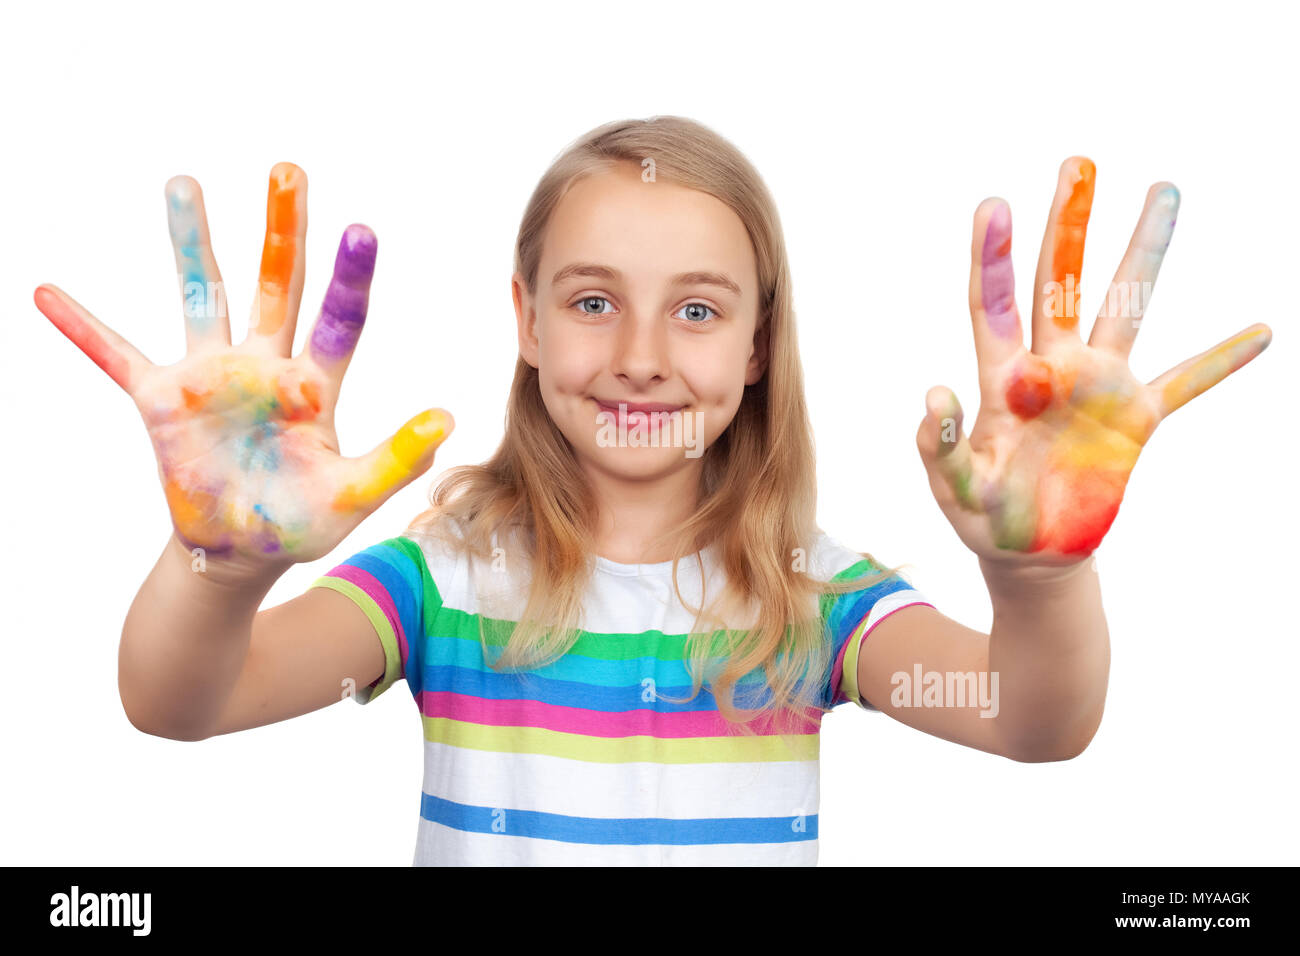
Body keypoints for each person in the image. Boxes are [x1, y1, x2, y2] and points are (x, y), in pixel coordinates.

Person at [31, 116, 1271, 866]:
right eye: (590, 300)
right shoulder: (441, 582)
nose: (638, 353)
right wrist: (225, 564)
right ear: (526, 320)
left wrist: (1038, 574)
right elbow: (183, 703)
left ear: (757, 340)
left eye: (695, 309)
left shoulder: (815, 599)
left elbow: (1029, 720)